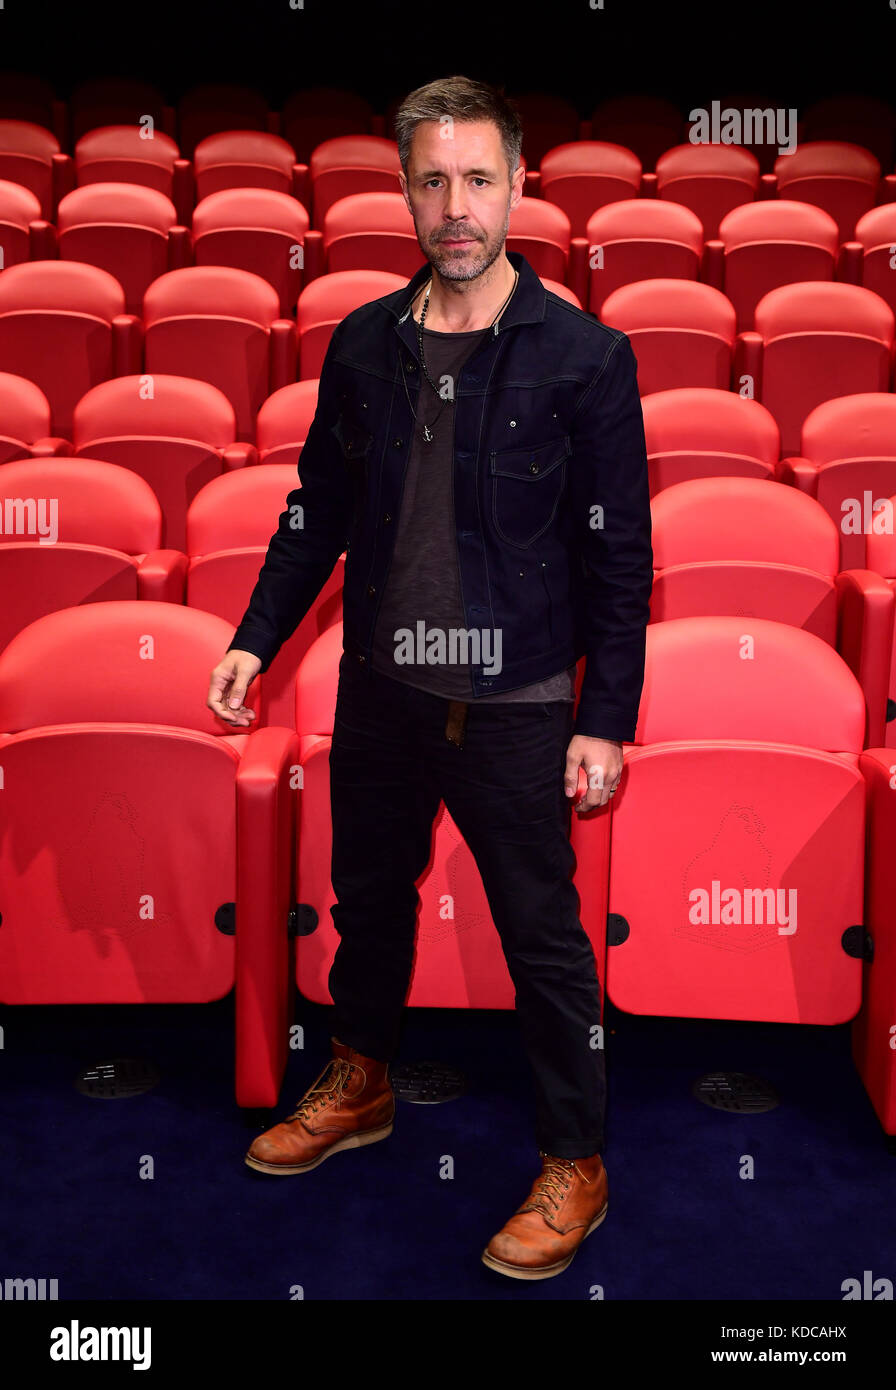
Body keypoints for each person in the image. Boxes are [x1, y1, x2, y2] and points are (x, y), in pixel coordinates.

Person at [207, 74, 653, 1281]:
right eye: (431, 180)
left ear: (515, 185)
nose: (455, 206)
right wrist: (256, 632)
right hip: (383, 692)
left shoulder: (584, 359)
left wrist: (603, 715)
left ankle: (577, 1156)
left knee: (541, 942)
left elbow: (621, 556)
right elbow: (317, 512)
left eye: (477, 178)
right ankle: (360, 1079)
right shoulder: (362, 345)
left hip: (512, 705)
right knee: (369, 904)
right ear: (404, 192)